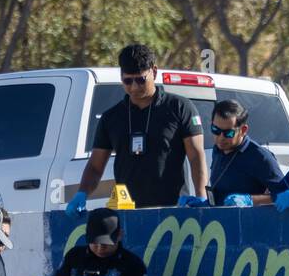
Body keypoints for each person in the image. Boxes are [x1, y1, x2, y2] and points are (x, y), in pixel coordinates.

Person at [66, 43, 209, 214]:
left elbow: (196, 156)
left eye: (140, 80)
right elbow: (95, 166)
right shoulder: (111, 117)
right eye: (128, 81)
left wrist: (201, 195)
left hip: (172, 210)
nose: (134, 87)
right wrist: (81, 193)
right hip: (127, 212)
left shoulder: (179, 107)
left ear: (154, 72)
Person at [207, 99, 285, 206]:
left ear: (243, 130)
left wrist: (250, 200)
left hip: (248, 220)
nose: (220, 137)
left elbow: (285, 194)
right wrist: (205, 202)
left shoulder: (260, 157)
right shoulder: (218, 150)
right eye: (216, 130)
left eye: (228, 133)